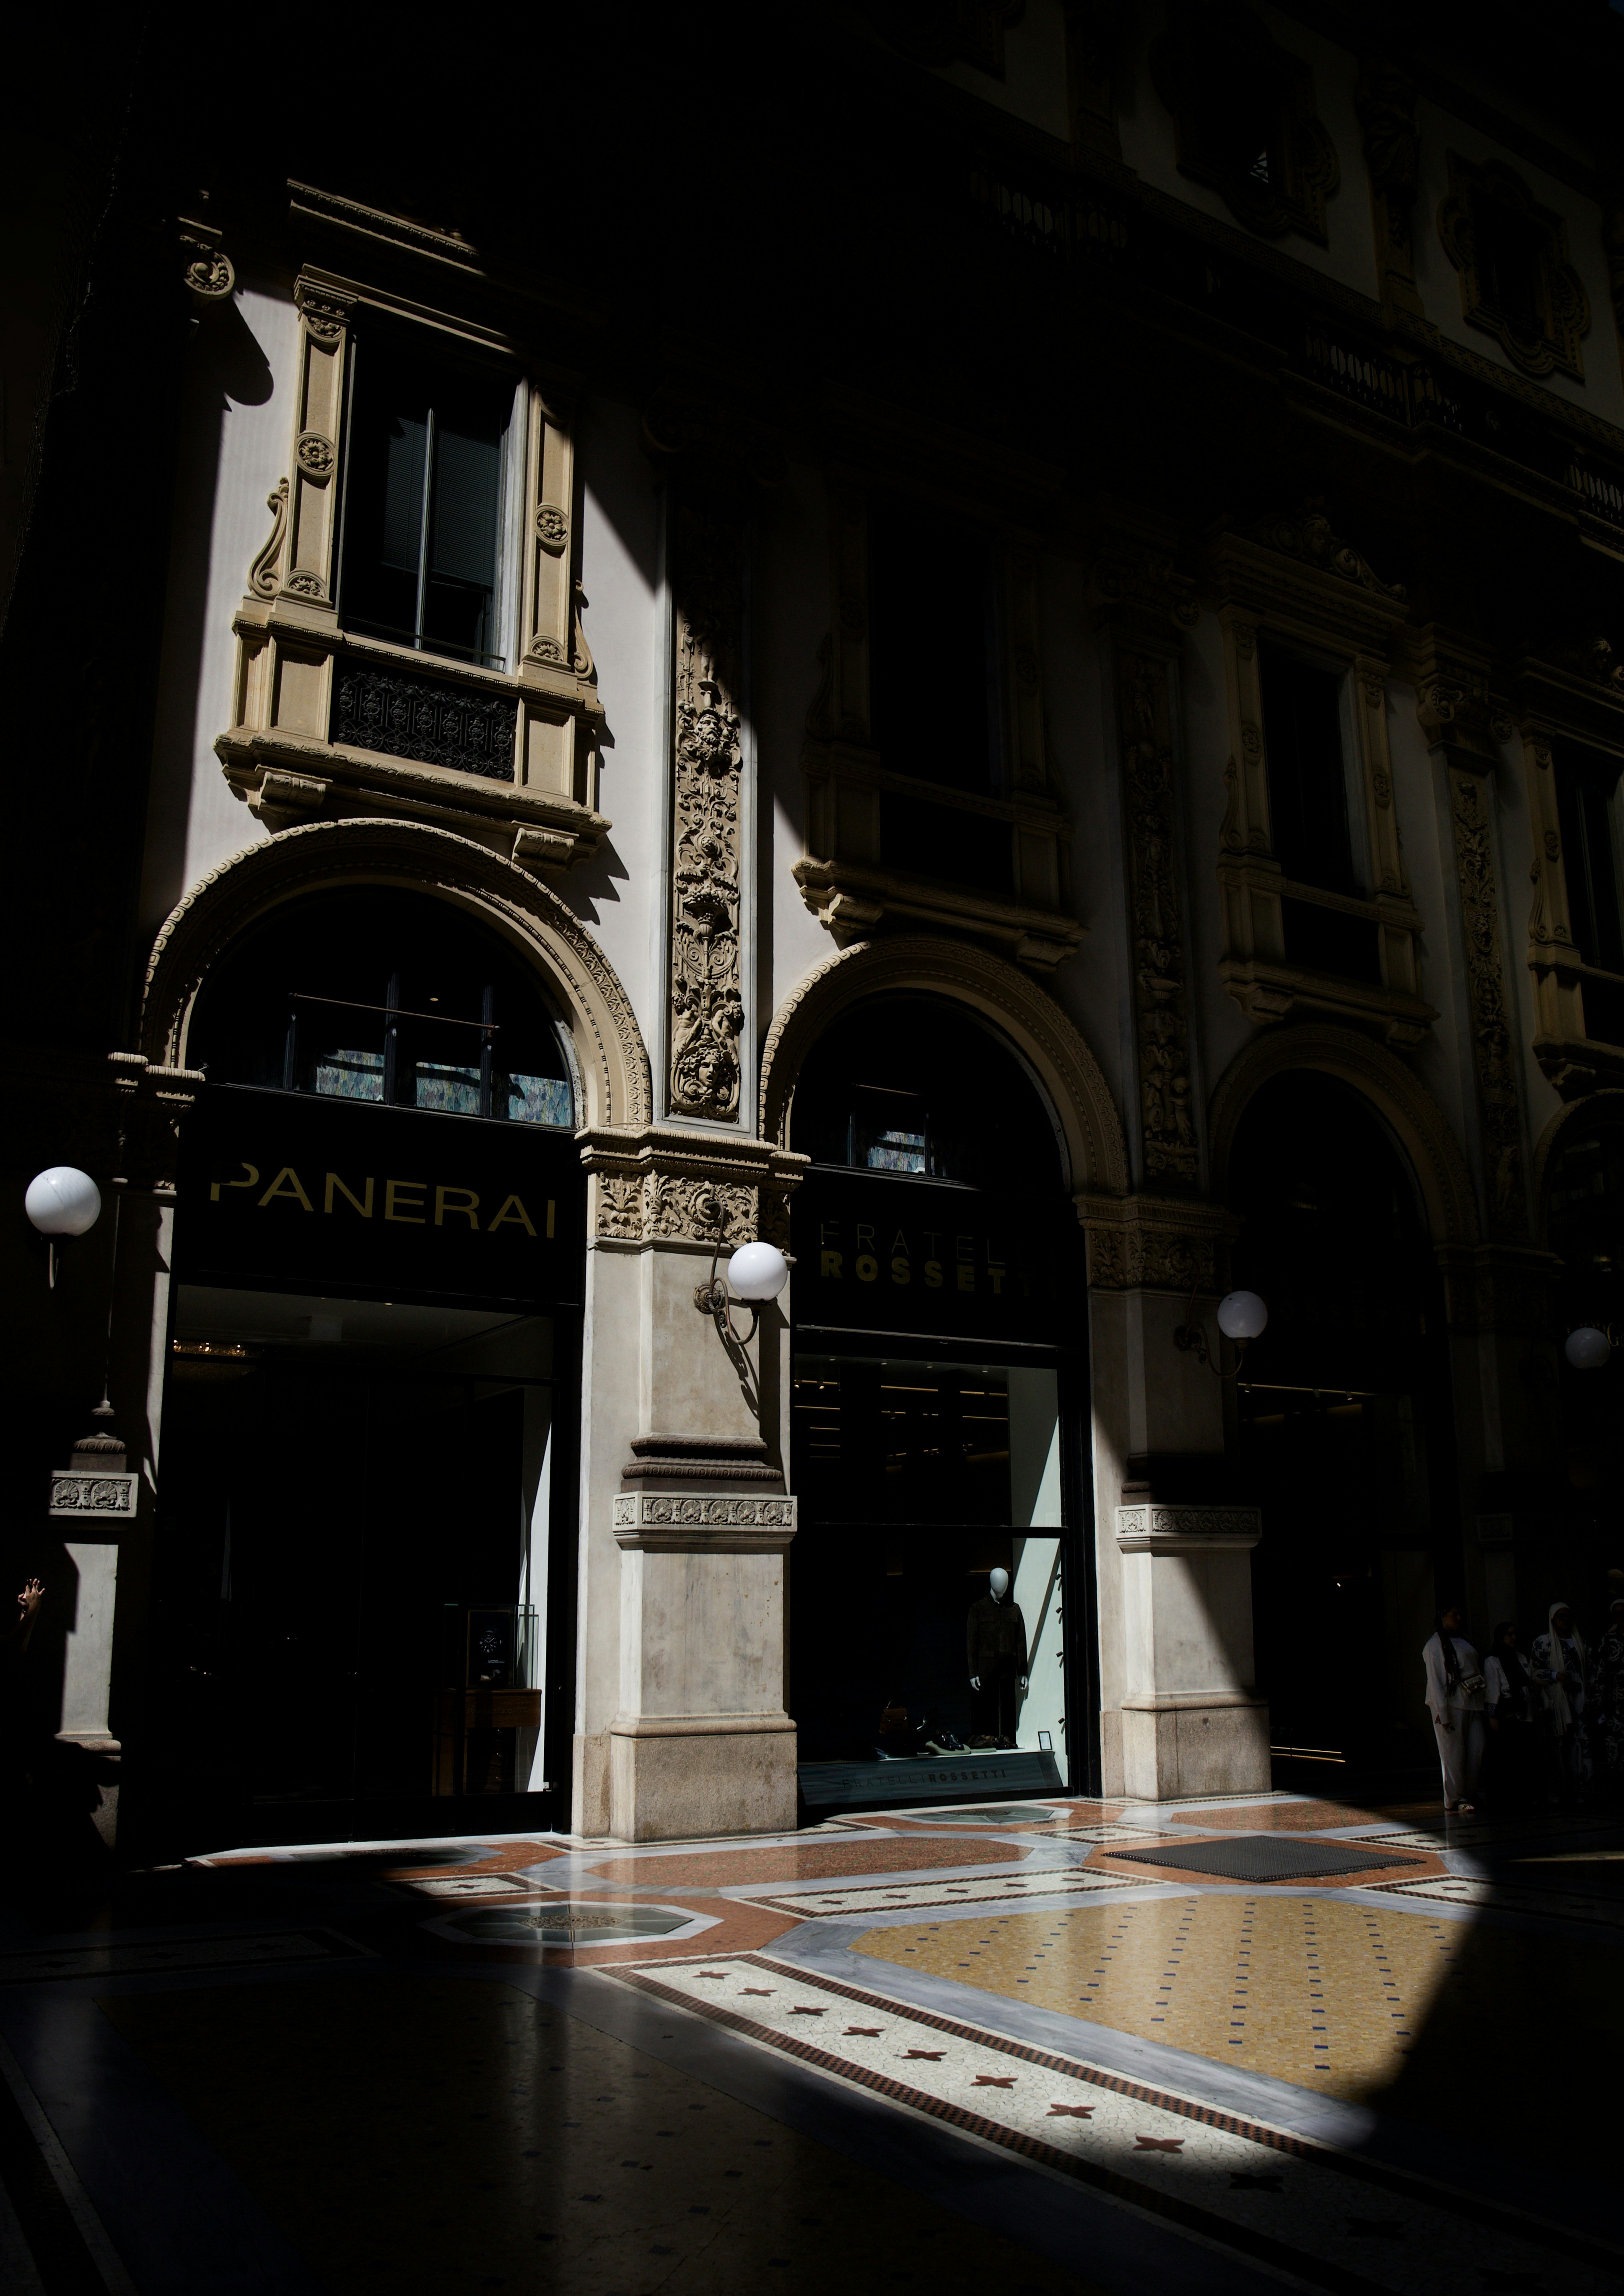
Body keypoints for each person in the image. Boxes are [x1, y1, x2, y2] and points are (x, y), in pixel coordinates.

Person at [1422, 1604, 1485, 1813]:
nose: (1458, 1618)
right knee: (1453, 1754)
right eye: (1454, 1615)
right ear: (1443, 1617)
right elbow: (1436, 1681)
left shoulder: (1464, 1640)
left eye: (1460, 1614)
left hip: (1472, 1702)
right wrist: (1443, 1713)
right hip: (1451, 1704)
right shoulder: (1435, 1645)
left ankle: (1470, 1791)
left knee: (1476, 1751)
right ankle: (1456, 1798)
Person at [1530, 1601, 1592, 1804]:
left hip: (1579, 1701)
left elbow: (1591, 1672)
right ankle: (1556, 1789)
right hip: (1556, 1702)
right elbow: (1534, 1672)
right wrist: (1557, 1676)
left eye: (1568, 1616)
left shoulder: (1582, 1644)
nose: (1565, 1620)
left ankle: (1580, 1788)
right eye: (1560, 1617)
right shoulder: (1544, 1643)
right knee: (1556, 1745)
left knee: (1580, 1744)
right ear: (1553, 1619)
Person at [1481, 1621, 1538, 1808]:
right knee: (1505, 1759)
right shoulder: (1493, 1659)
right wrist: (1493, 1716)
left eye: (1516, 1635)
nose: (1514, 1638)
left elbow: (1528, 1682)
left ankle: (1523, 1797)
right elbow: (1492, 1689)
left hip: (1524, 1714)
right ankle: (1504, 1800)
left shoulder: (1520, 1658)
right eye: (1509, 1635)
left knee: (1522, 1758)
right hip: (1506, 1716)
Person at [1589, 1596, 1624, 1802]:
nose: (1621, 1617)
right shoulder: (1609, 1641)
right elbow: (1600, 1673)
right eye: (1617, 1614)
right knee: (1615, 1747)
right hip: (1615, 1703)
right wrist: (1597, 1703)